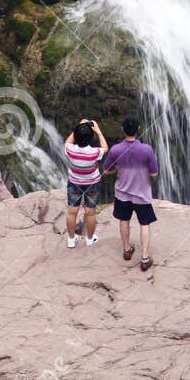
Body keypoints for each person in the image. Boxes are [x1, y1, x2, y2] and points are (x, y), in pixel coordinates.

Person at [103, 116, 159, 273]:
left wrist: (118, 170)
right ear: (138, 129)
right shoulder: (147, 150)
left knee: (124, 220)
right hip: (142, 194)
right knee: (144, 223)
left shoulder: (115, 150)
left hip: (122, 193)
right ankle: (145, 259)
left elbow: (107, 170)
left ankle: (127, 250)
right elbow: (154, 174)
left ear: (122, 130)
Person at [64, 117, 107, 249]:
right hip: (92, 184)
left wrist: (78, 127)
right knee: (91, 212)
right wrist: (98, 131)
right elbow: (105, 148)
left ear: (76, 136)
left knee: (72, 212)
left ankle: (71, 240)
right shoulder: (95, 152)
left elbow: (68, 141)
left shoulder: (69, 149)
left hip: (74, 183)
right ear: (91, 138)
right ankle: (89, 239)